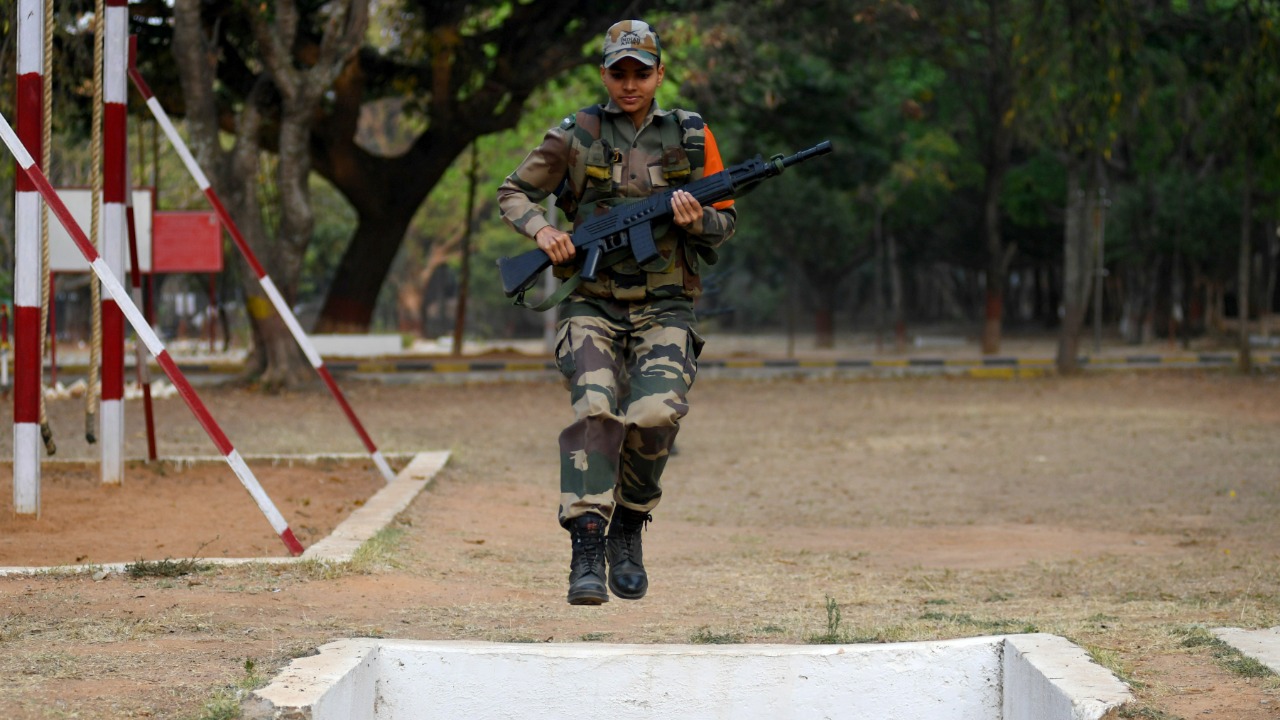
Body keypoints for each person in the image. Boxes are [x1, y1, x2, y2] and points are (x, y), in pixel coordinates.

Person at [497, 19, 737, 605]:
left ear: (660, 74)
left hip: (666, 306)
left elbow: (725, 221)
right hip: (591, 304)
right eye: (619, 72)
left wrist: (695, 220)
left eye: (642, 72)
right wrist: (545, 231)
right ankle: (587, 544)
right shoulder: (577, 132)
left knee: (656, 415)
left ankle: (629, 522)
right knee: (595, 411)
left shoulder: (692, 134)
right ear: (604, 73)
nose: (630, 84)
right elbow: (513, 191)